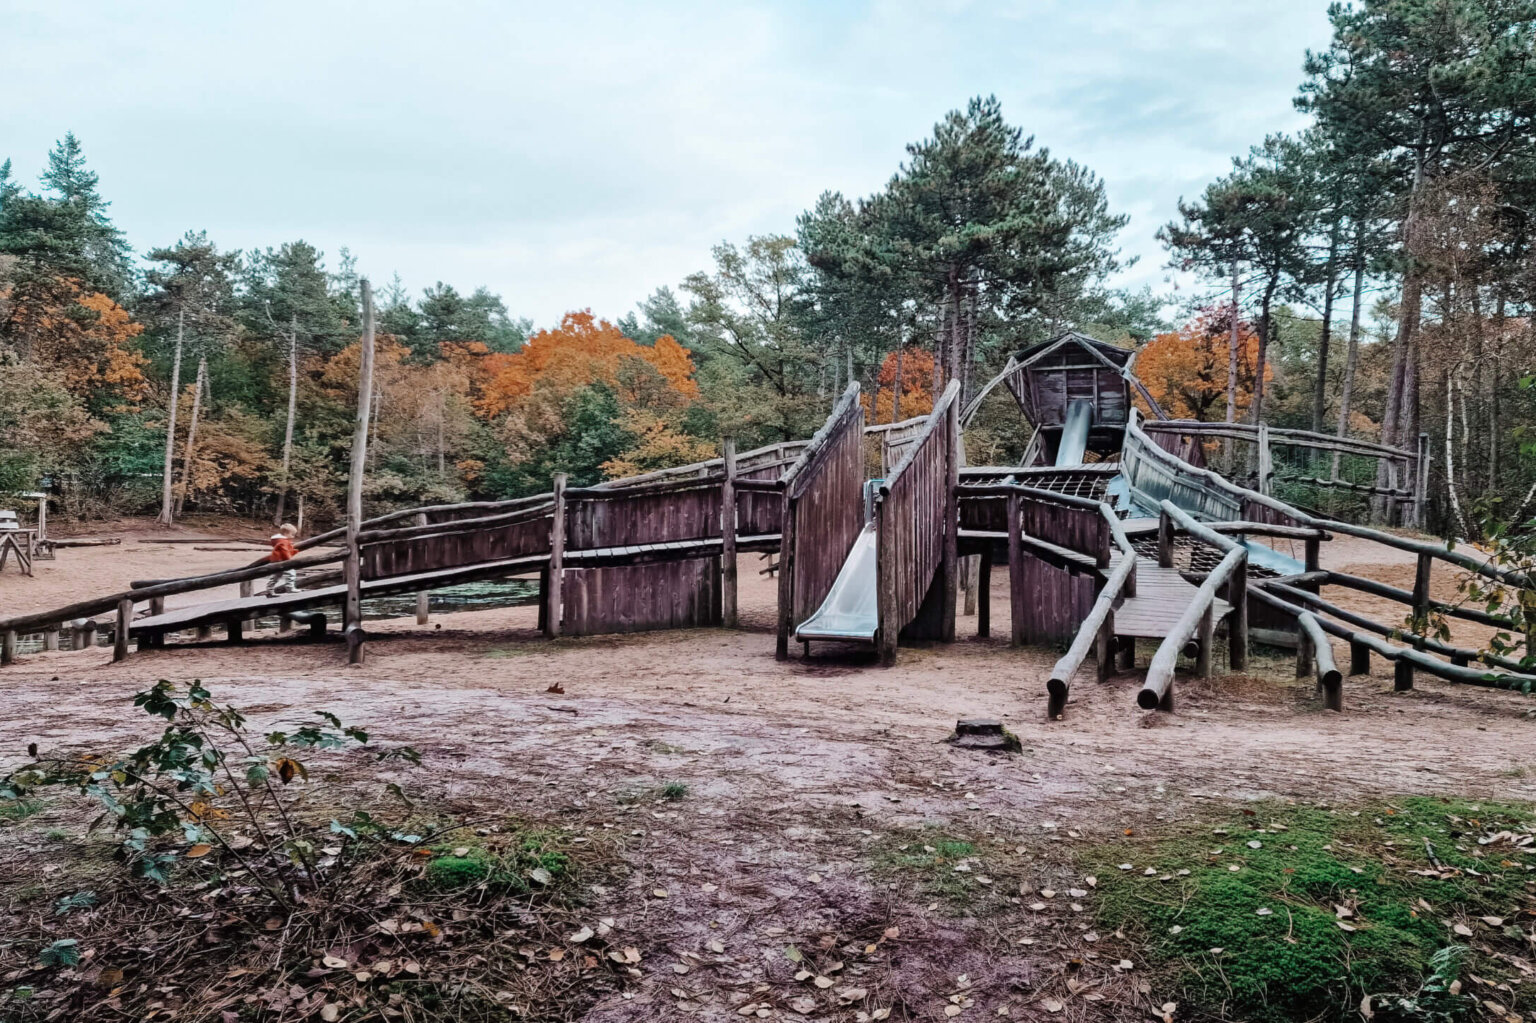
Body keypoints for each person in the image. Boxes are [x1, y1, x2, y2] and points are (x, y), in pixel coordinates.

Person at [264, 523, 300, 596]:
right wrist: (289, 559)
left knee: (276, 576)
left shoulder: (278, 540)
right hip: (282, 560)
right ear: (286, 533)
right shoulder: (283, 542)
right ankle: (290, 588)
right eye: (292, 534)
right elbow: (285, 551)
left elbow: (285, 550)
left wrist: (294, 551)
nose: (293, 537)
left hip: (276, 560)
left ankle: (269, 590)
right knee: (291, 572)